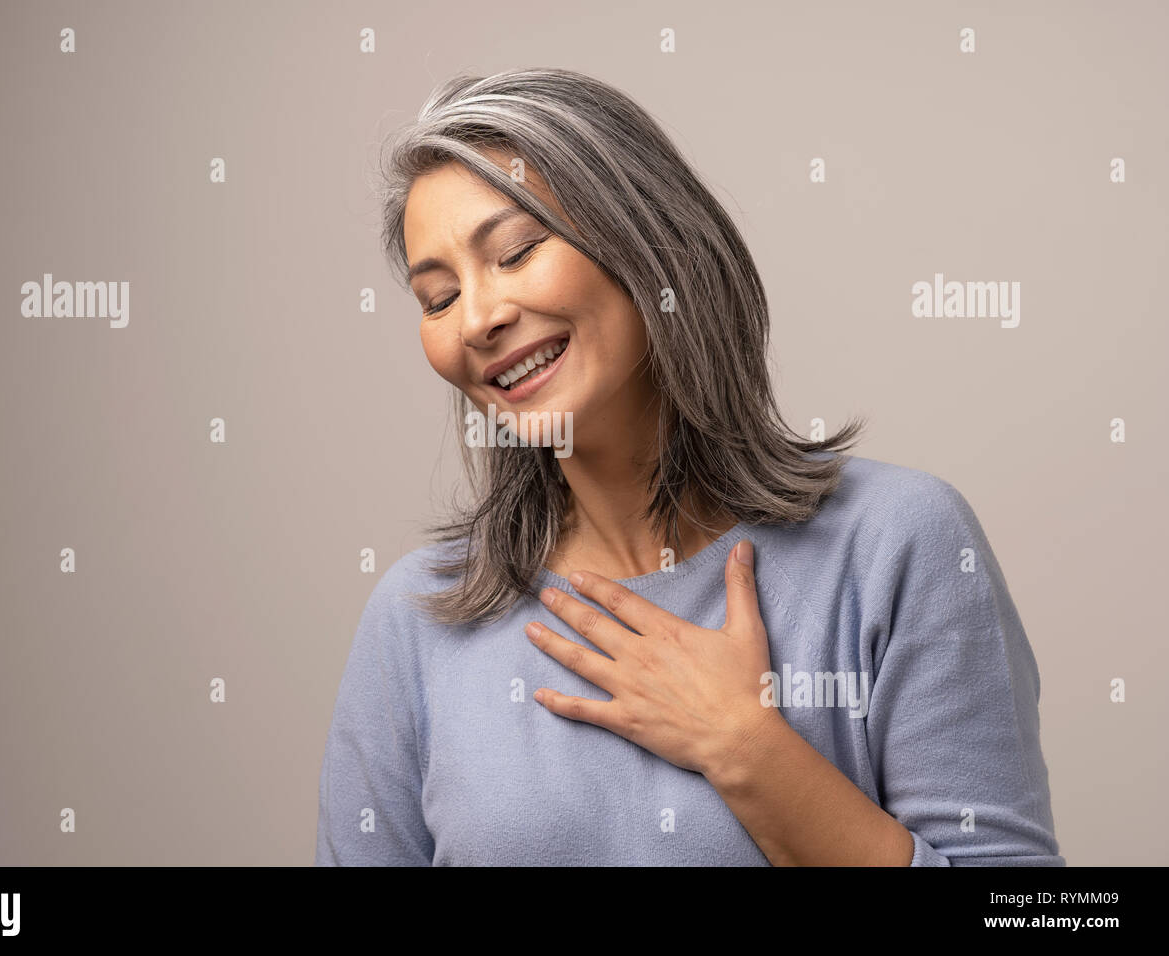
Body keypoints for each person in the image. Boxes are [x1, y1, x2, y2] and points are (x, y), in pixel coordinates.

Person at [314, 67, 1063, 866]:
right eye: (436, 298)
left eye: (517, 250)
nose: (477, 319)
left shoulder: (899, 545)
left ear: (646, 241)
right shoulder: (416, 619)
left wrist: (745, 748)